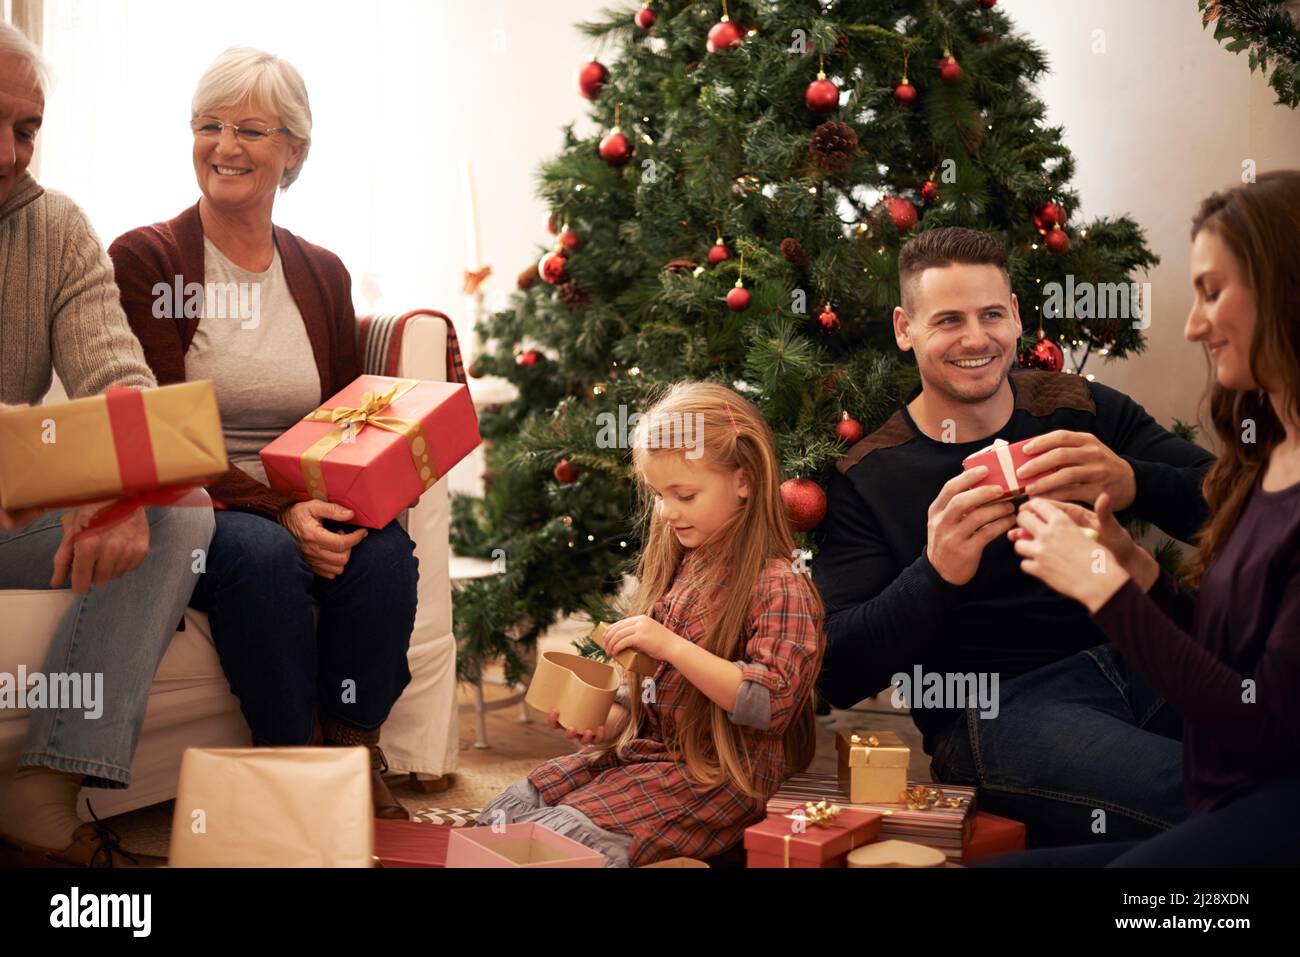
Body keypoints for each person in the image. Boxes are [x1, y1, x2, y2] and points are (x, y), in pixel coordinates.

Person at [813, 226, 1216, 846]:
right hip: (999, 710)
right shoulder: (867, 475)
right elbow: (837, 671)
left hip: (1141, 659)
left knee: (1273, 766)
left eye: (991, 314)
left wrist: (1133, 479)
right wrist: (936, 571)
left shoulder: (1078, 409)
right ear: (904, 329)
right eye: (948, 319)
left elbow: (1232, 510)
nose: (976, 338)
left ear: (1018, 319)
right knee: (1209, 802)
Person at [108, 47, 416, 820]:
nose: (225, 146)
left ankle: (351, 748)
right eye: (208, 125)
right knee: (266, 556)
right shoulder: (146, 259)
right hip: (195, 503)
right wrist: (284, 512)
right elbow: (163, 436)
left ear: (293, 152)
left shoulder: (321, 272)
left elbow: (345, 422)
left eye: (250, 128)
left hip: (299, 496)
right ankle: (292, 768)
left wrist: (344, 495)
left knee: (383, 555)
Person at [990, 171, 1300, 865]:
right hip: (1234, 805)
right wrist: (1138, 578)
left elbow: (1262, 724)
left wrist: (1104, 587)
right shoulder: (1265, 460)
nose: (1193, 326)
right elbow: (1234, 661)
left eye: (1212, 292)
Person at [0, 22, 214, 866]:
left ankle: (43, 789)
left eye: (27, 128)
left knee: (181, 513)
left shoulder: (54, 228)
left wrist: (125, 486)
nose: (12, 153)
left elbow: (119, 377)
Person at [478, 382, 824, 866]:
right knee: (512, 813)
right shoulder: (684, 566)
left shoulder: (779, 583)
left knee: (559, 841)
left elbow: (769, 703)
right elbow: (654, 701)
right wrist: (605, 723)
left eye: (683, 494)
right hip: (651, 756)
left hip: (719, 778)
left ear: (743, 480)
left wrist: (672, 647)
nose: (666, 511)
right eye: (659, 495)